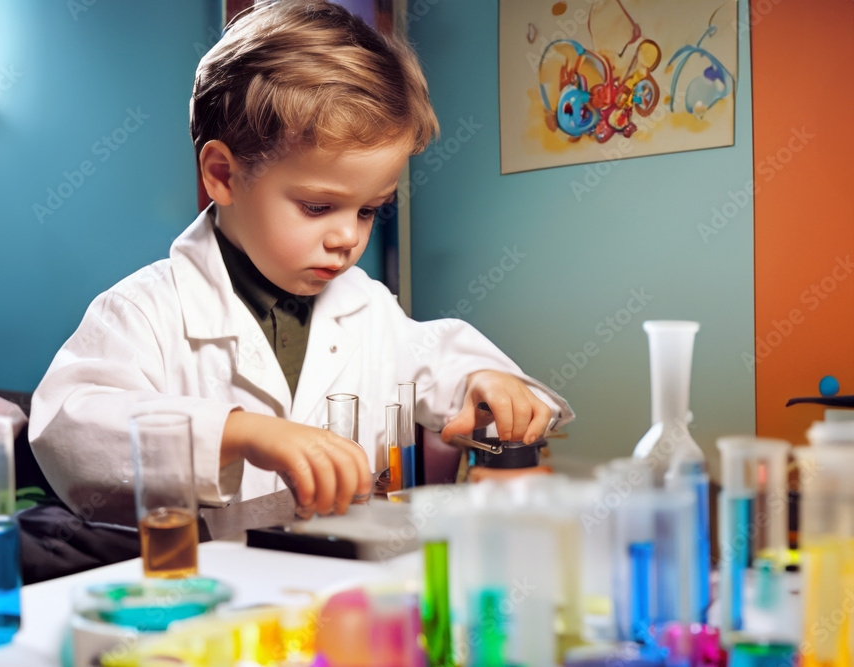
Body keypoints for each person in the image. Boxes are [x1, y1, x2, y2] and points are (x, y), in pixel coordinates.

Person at [29, 0, 573, 523]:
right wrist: (240, 433)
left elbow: (439, 361)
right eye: (318, 207)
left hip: (342, 592)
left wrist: (486, 384)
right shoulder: (144, 312)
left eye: (369, 211)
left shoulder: (367, 309)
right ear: (222, 175)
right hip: (208, 596)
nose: (346, 238)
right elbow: (71, 430)